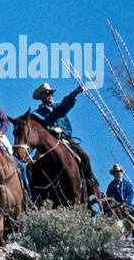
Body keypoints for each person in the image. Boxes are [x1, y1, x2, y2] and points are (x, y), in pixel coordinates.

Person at [31, 82, 101, 212]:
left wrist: (75, 93)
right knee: (32, 165)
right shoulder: (36, 114)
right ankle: (34, 195)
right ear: (41, 97)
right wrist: (49, 129)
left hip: (65, 139)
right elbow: (35, 129)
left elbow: (66, 104)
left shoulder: (59, 107)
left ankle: (92, 186)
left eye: (51, 92)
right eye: (47, 93)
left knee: (85, 157)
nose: (50, 95)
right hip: (47, 143)